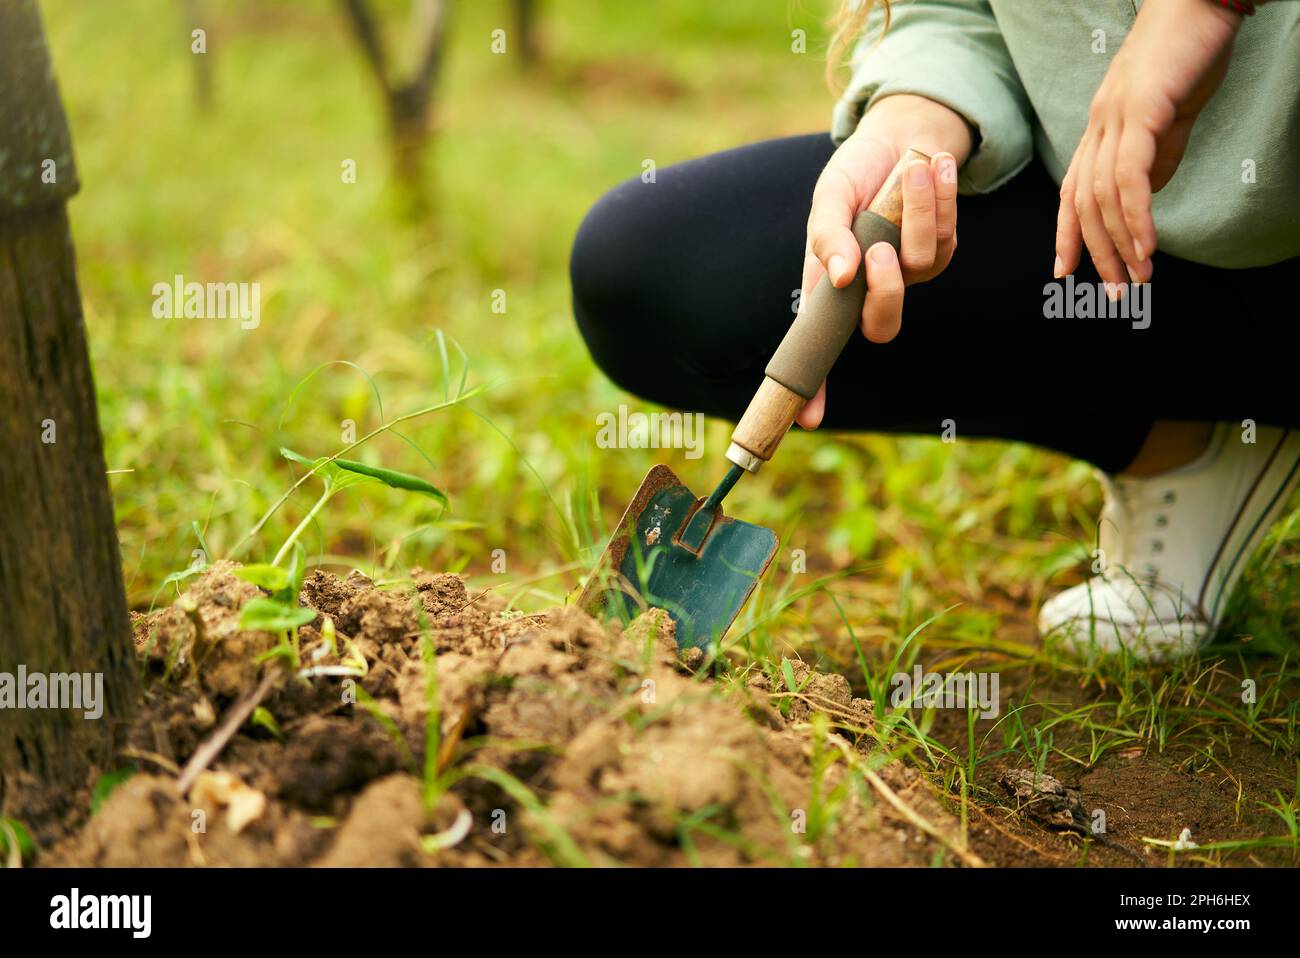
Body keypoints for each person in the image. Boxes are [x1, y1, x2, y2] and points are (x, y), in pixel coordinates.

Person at [569, 0, 1299, 661]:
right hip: (1110, 234)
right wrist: (916, 123)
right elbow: (958, 10)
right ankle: (1182, 453)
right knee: (650, 269)